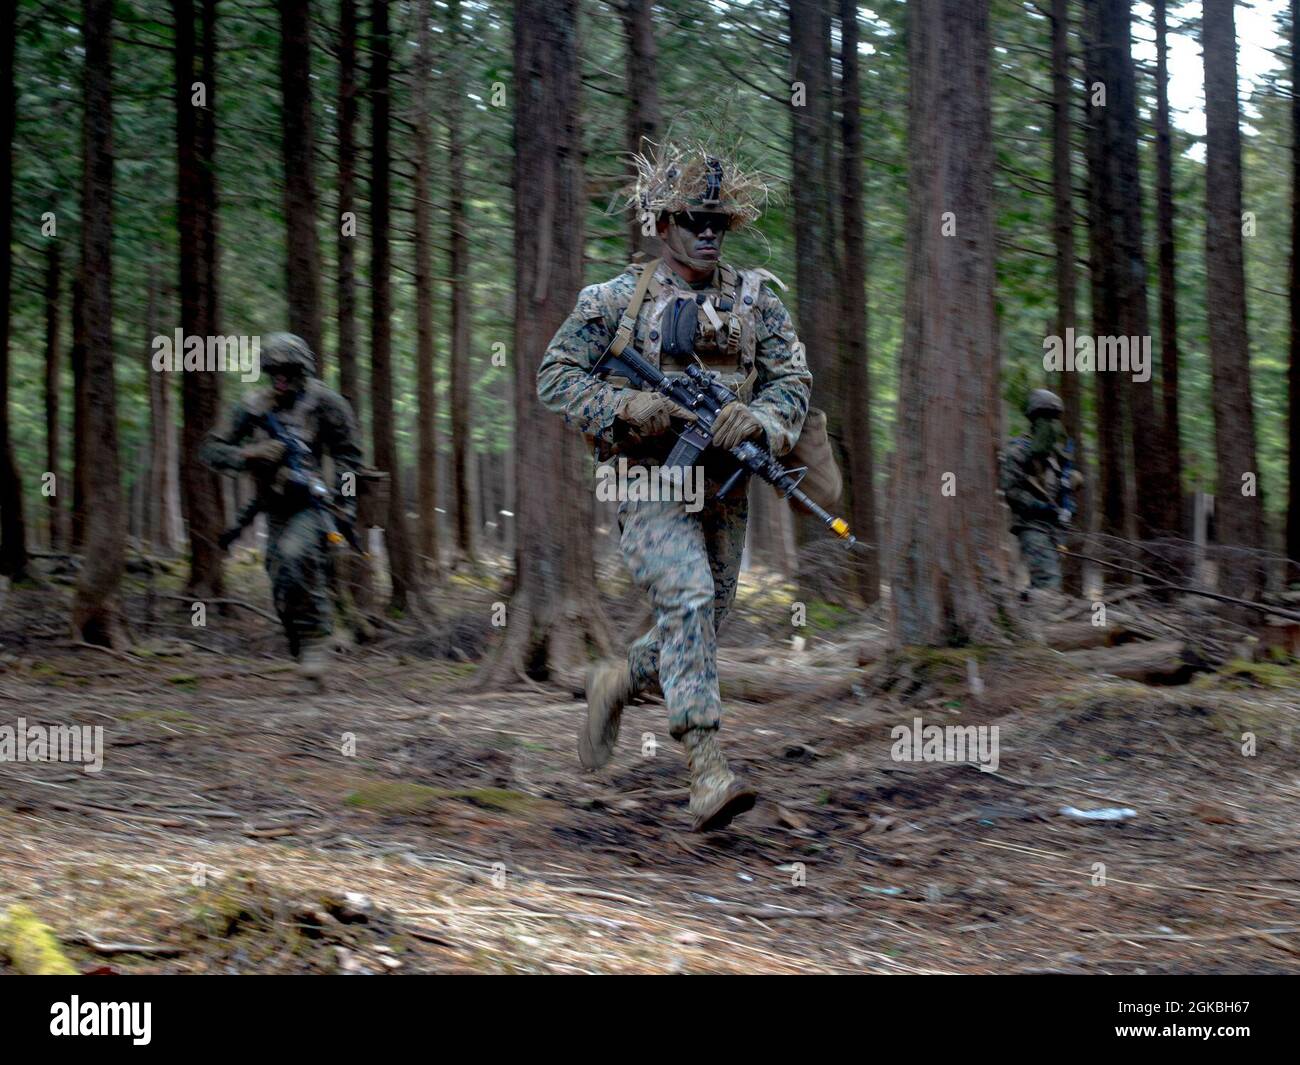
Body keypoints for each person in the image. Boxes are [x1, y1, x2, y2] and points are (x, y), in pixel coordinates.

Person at [537, 142, 812, 831]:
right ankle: (706, 770)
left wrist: (763, 418)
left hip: (725, 483)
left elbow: (793, 382)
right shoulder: (610, 303)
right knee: (687, 598)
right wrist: (624, 408)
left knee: (702, 624)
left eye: (719, 221)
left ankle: (618, 679)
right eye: (693, 218)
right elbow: (555, 377)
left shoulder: (758, 303)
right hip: (646, 480)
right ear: (662, 225)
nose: (709, 231)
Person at [201, 333, 363, 683]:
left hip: (314, 505)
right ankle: (303, 647)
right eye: (273, 371)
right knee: (281, 581)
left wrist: (345, 506)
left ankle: (316, 642)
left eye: (288, 371)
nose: (280, 379)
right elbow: (212, 451)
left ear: (303, 371)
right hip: (272, 505)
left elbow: (349, 460)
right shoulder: (253, 407)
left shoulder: (327, 404)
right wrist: (248, 454)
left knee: (295, 555)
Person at [999, 388, 1082, 592]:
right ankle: (1041, 620)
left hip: (1053, 527)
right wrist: (1039, 506)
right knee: (1048, 581)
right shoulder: (1018, 451)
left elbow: (1062, 484)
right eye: (1047, 418)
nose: (1053, 425)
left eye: (1055, 418)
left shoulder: (1055, 454)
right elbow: (1010, 491)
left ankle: (1027, 612)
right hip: (1031, 525)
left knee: (1044, 580)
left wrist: (1068, 500)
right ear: (1035, 420)